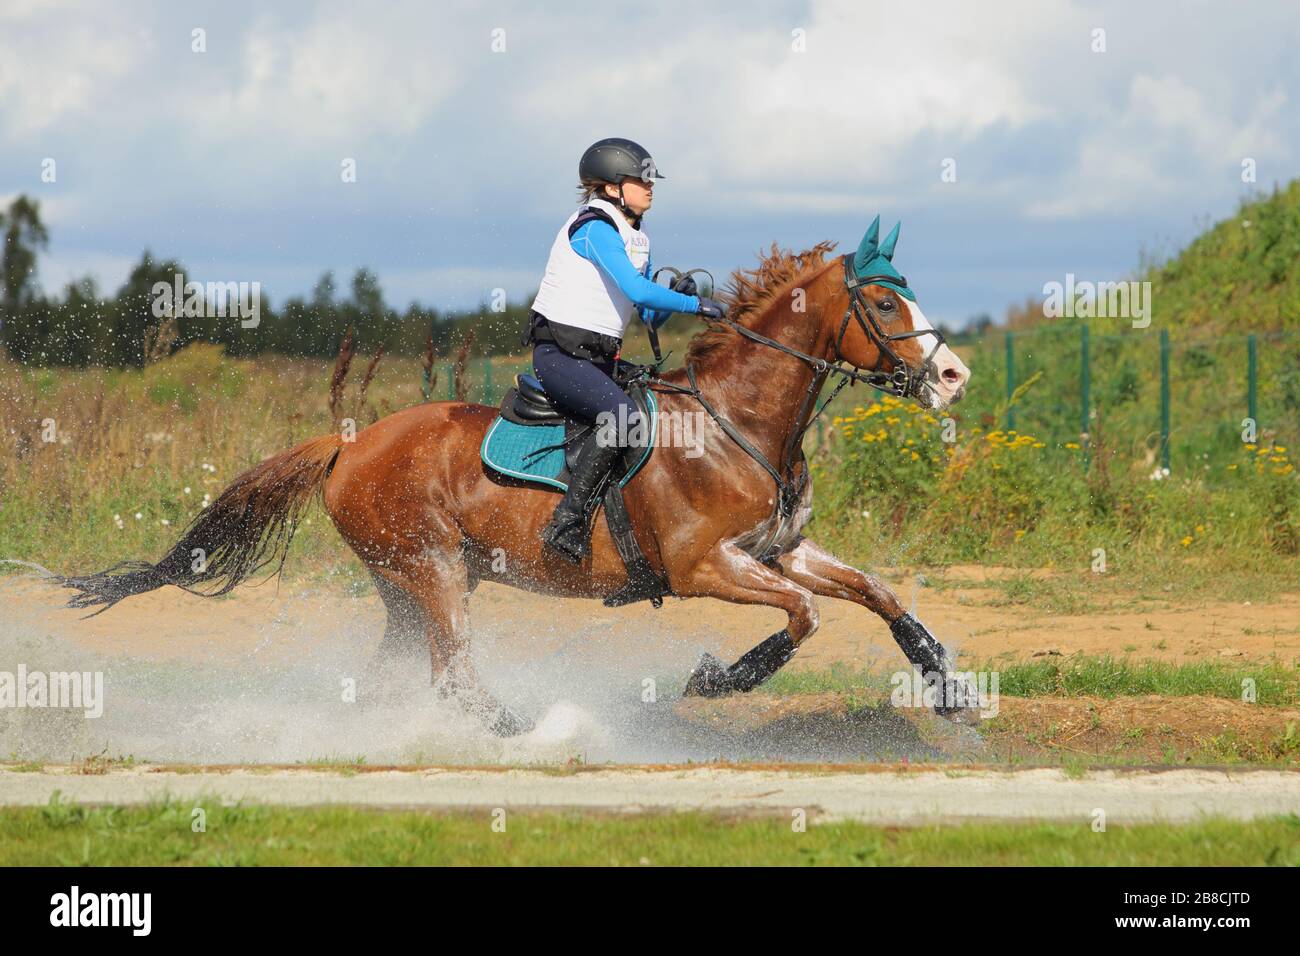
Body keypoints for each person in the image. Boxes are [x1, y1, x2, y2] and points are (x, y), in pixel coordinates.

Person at [524, 137, 727, 563]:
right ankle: (567, 522)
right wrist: (696, 304)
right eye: (642, 180)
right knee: (623, 416)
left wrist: (673, 297)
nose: (651, 187)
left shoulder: (637, 236)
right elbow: (637, 289)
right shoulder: (595, 227)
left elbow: (647, 314)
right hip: (560, 358)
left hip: (600, 361)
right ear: (614, 187)